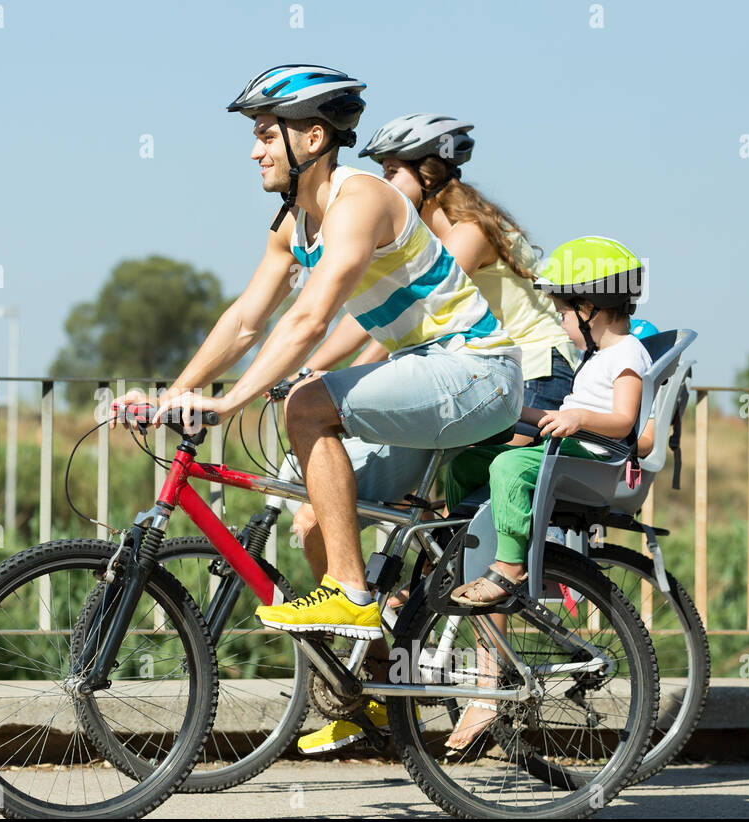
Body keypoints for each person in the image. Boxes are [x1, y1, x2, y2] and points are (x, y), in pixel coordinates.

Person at [113, 64, 522, 646]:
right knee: (313, 516)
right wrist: (178, 392)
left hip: (477, 371)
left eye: (263, 133)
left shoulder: (361, 201)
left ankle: (351, 595)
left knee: (307, 406)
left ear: (312, 138)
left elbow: (309, 319)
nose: (254, 152)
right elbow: (245, 320)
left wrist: (229, 402)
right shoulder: (293, 222)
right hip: (425, 376)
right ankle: (371, 684)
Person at [287, 114, 581, 754]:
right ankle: (387, 656)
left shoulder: (467, 235)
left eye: (391, 170)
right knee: (330, 513)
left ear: (428, 173)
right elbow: (384, 320)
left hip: (531, 377)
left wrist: (324, 377)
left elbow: (382, 328)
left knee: (477, 525)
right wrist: (318, 375)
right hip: (457, 375)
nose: (378, 182)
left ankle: (486, 686)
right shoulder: (410, 230)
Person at [440, 235, 655, 748]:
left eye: (562, 311)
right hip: (575, 448)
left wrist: (579, 416)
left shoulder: (626, 353)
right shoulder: (599, 357)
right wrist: (516, 412)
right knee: (468, 462)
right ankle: (461, 549)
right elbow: (559, 417)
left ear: (589, 308)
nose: (559, 322)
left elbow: (624, 420)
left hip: (596, 460)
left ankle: (508, 566)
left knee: (513, 465)